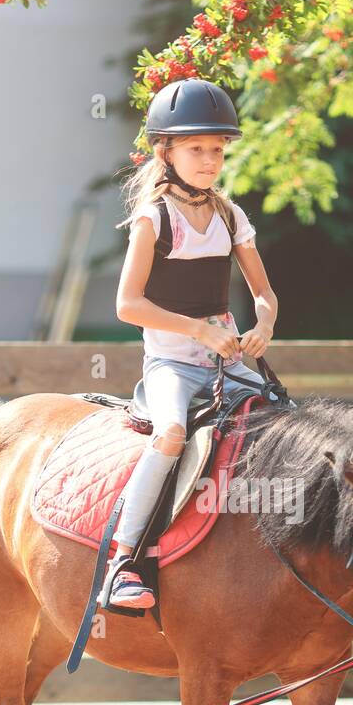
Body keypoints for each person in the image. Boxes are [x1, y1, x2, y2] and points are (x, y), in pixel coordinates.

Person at [99, 77, 279, 609]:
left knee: (284, 421)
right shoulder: (153, 218)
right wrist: (202, 330)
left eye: (217, 150)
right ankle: (123, 559)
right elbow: (127, 305)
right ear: (166, 151)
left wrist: (263, 327)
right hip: (172, 365)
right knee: (173, 431)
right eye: (196, 148)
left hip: (229, 361)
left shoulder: (229, 215)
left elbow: (264, 294)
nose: (209, 160)